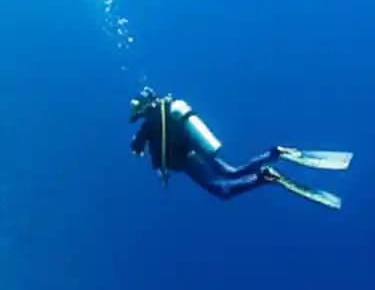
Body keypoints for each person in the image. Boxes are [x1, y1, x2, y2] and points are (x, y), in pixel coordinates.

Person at [127, 86, 350, 209]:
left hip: (187, 160)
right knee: (232, 171)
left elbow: (139, 148)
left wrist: (138, 149)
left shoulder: (147, 128)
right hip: (196, 148)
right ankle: (274, 153)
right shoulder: (167, 112)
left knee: (222, 189)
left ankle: (264, 177)